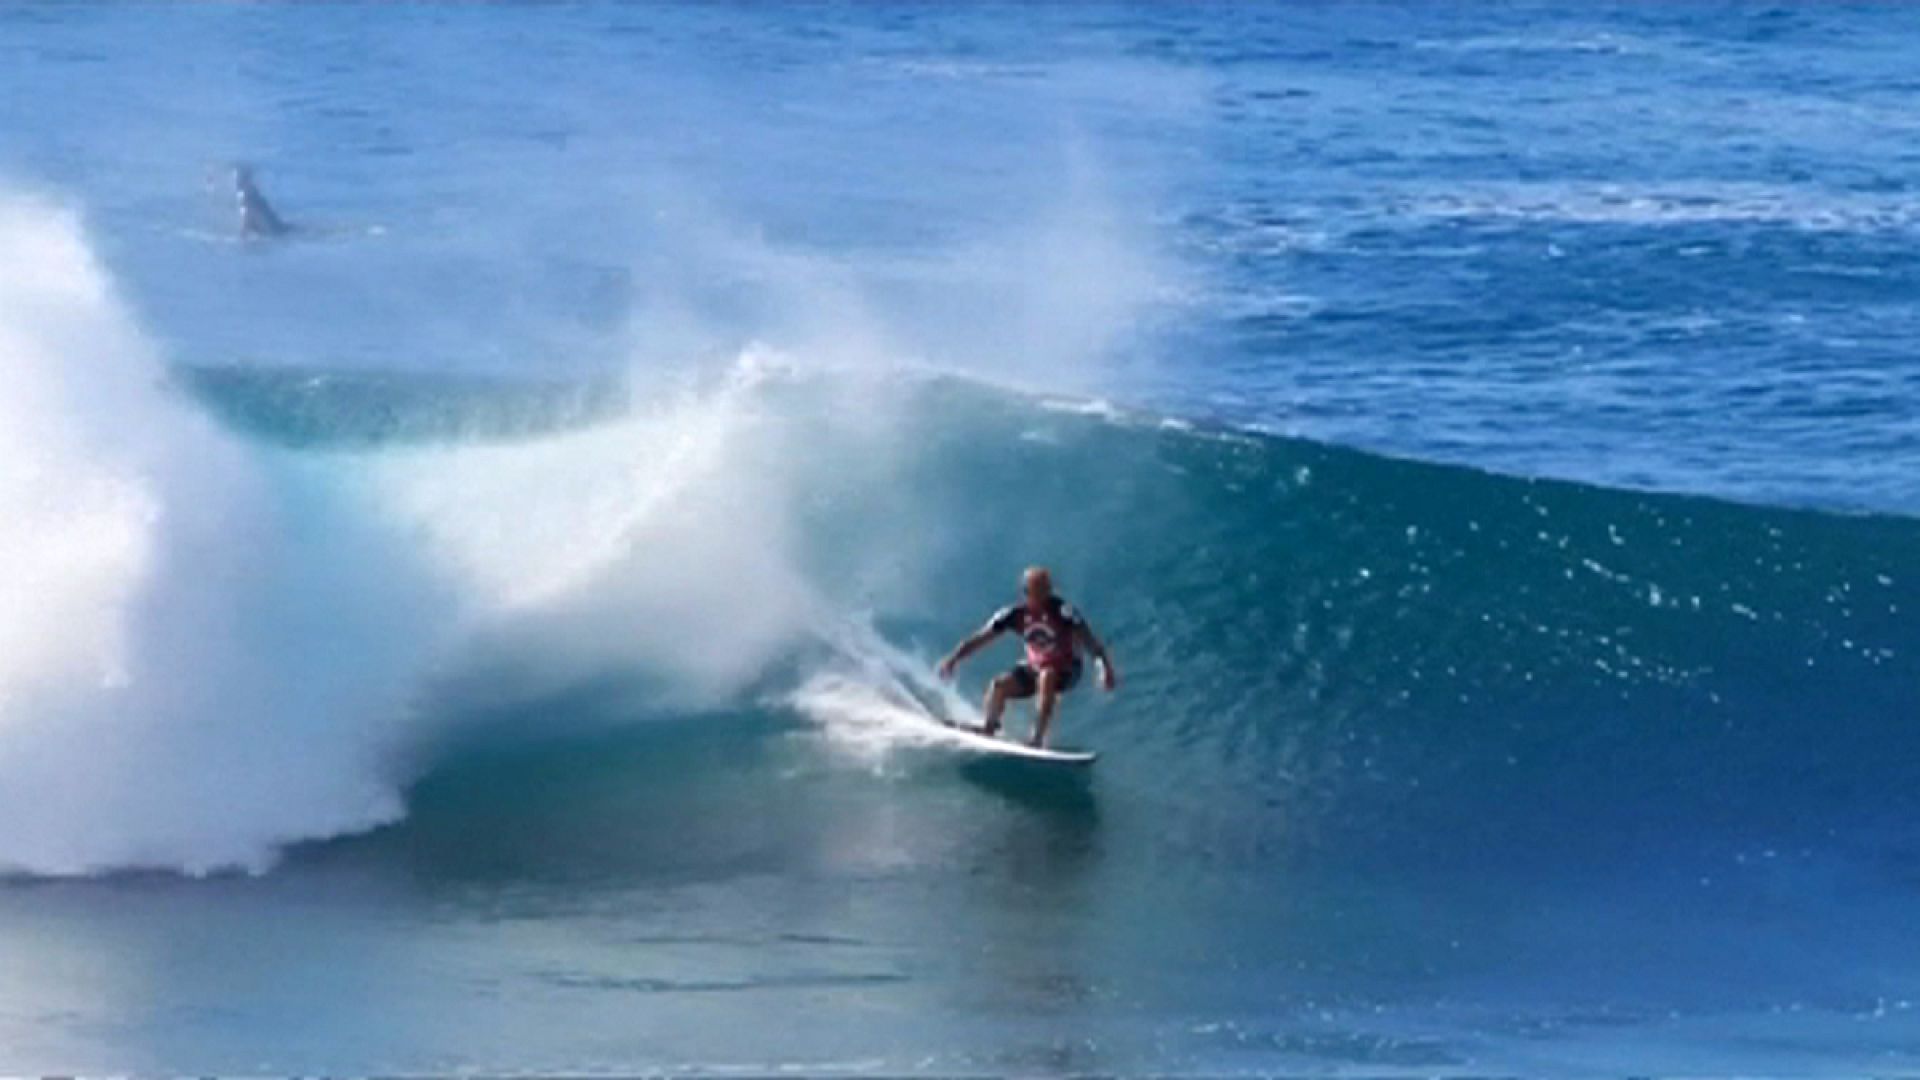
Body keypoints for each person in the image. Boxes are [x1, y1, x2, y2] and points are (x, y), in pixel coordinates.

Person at [937, 567, 1118, 747]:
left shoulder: (1063, 611)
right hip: (1035, 667)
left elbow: (1091, 642)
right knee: (999, 685)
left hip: (1067, 670)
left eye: (1046, 589)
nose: (1045, 594)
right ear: (1026, 592)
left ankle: (1037, 738)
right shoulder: (1014, 615)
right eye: (1038, 590)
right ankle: (989, 728)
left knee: (1047, 676)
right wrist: (953, 660)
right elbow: (981, 638)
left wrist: (1105, 668)